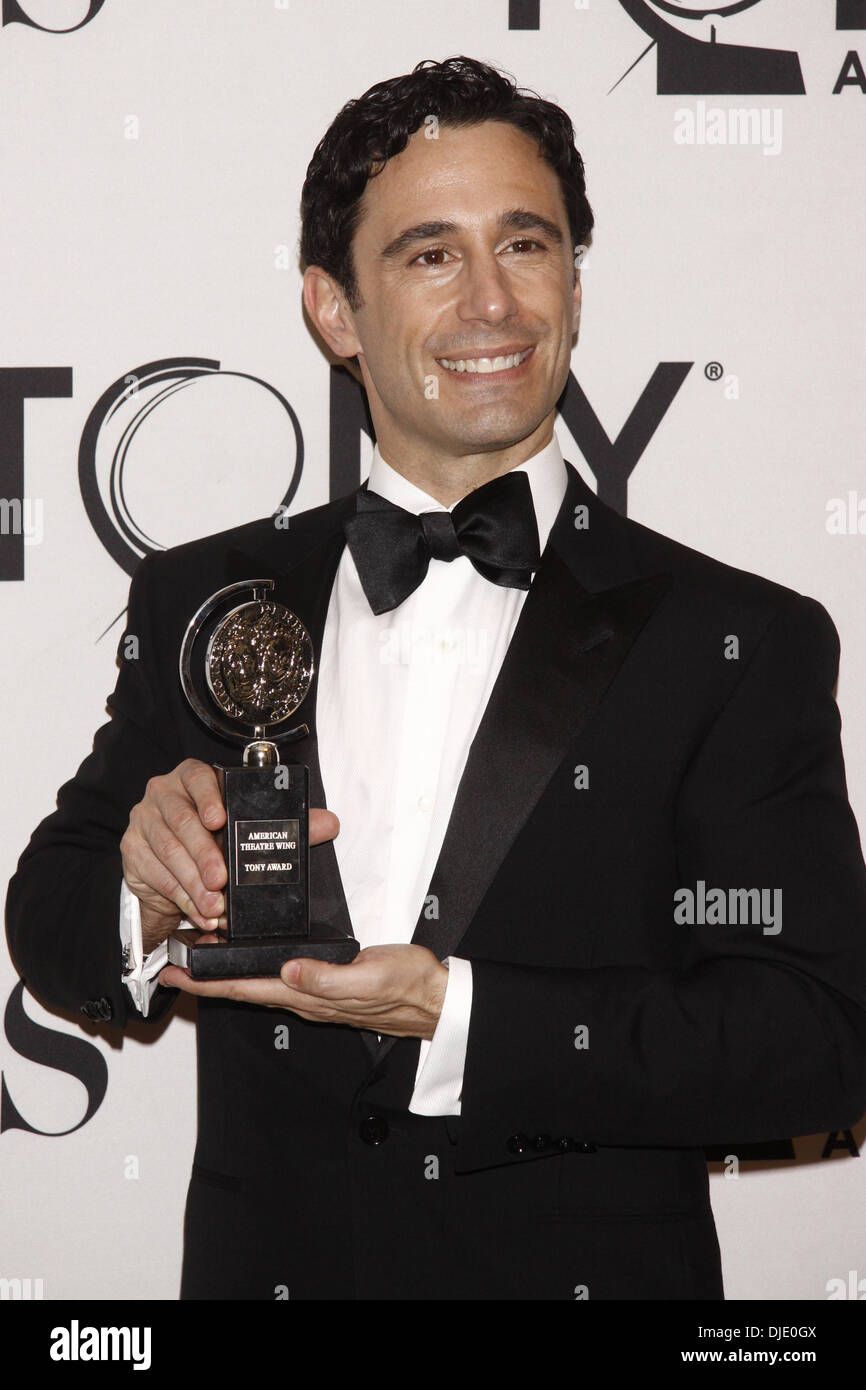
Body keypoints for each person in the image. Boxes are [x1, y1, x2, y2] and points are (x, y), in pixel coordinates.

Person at [6, 55, 866, 1302]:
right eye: (427, 255)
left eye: (524, 244)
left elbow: (812, 1042)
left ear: (574, 277)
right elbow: (53, 917)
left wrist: (456, 1017)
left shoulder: (733, 639)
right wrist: (146, 897)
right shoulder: (209, 603)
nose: (491, 305)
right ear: (334, 311)